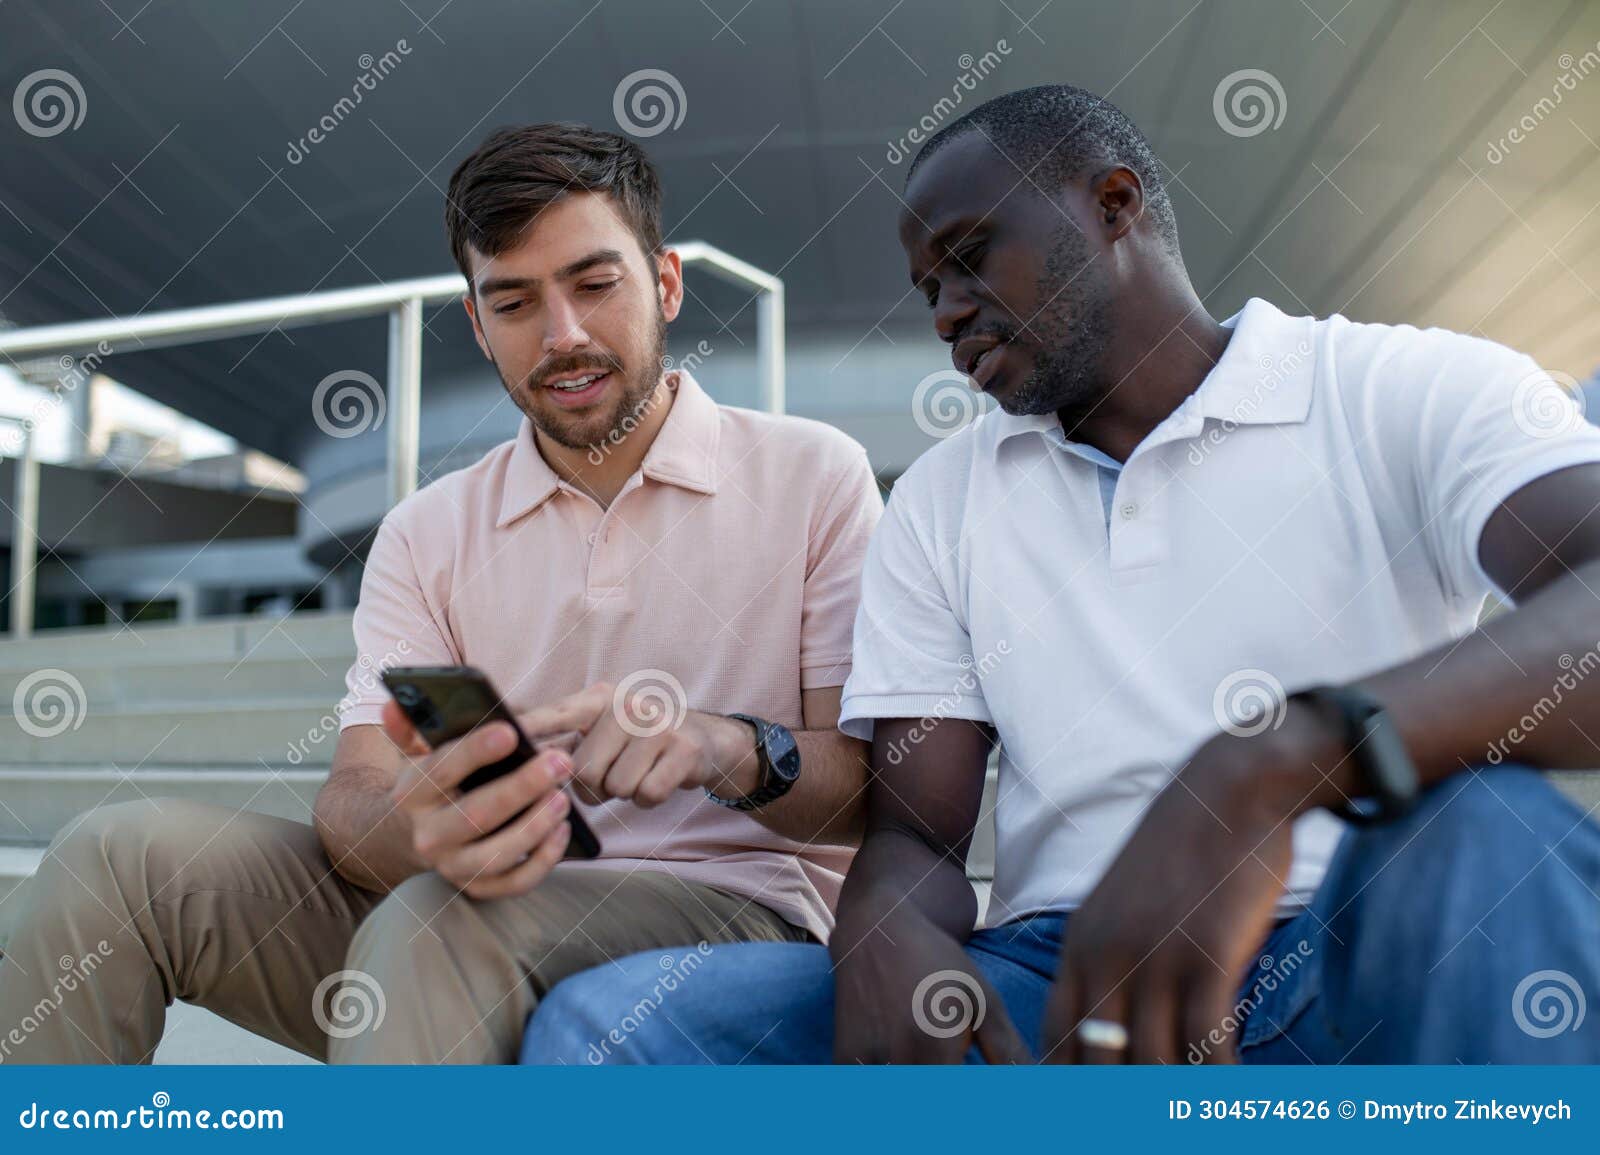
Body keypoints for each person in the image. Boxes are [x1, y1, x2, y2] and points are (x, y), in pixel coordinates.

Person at [521, 85, 1600, 1064]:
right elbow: (915, 834)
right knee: (610, 1029)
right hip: (1063, 987)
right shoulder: (941, 501)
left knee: (1488, 827)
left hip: (1364, 947)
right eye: (928, 287)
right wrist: (885, 931)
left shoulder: (1399, 386)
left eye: (970, 255)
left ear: (1114, 205)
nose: (945, 311)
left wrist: (1275, 762)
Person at [0, 122, 880, 1064]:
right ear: (477, 322)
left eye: (594, 284)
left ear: (665, 283)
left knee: (433, 929)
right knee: (112, 861)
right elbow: (354, 796)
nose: (563, 335)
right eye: (515, 302)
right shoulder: (428, 529)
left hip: (735, 913)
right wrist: (424, 830)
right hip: (466, 902)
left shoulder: (813, 475)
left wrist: (723, 746)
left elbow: (872, 793)